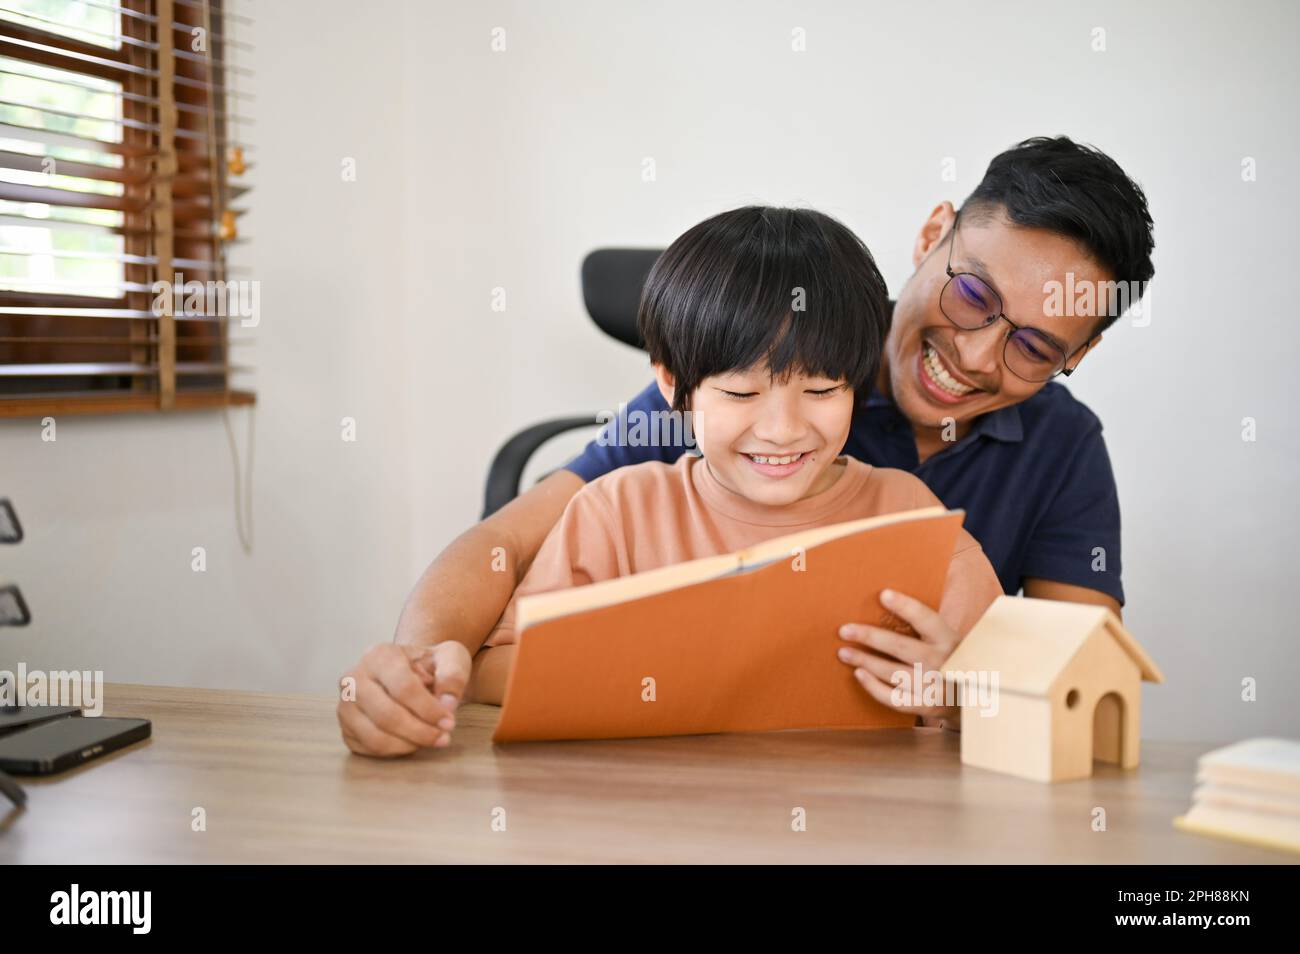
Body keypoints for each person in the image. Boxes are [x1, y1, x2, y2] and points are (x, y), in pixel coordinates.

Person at [337, 136, 1155, 757]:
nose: (976, 355)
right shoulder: (720, 395)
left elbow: (1081, 694)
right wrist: (418, 671)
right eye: (974, 294)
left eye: (1034, 347)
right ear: (934, 234)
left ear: (1075, 357)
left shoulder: (1047, 453)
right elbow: (507, 544)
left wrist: (972, 694)